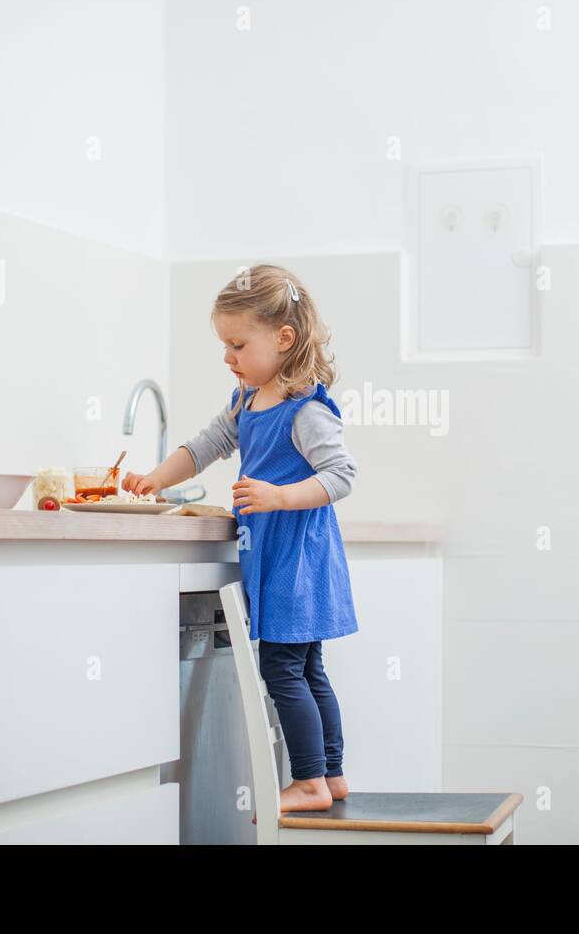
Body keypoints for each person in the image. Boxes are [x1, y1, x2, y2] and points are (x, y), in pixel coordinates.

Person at [122, 263, 358, 814]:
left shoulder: (306, 410)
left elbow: (342, 476)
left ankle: (308, 782)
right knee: (306, 667)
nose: (228, 357)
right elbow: (204, 445)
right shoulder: (246, 402)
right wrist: (156, 478)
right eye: (224, 345)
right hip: (278, 558)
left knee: (282, 667)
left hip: (297, 560)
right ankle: (333, 774)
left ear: (283, 339)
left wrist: (278, 496)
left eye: (237, 344)